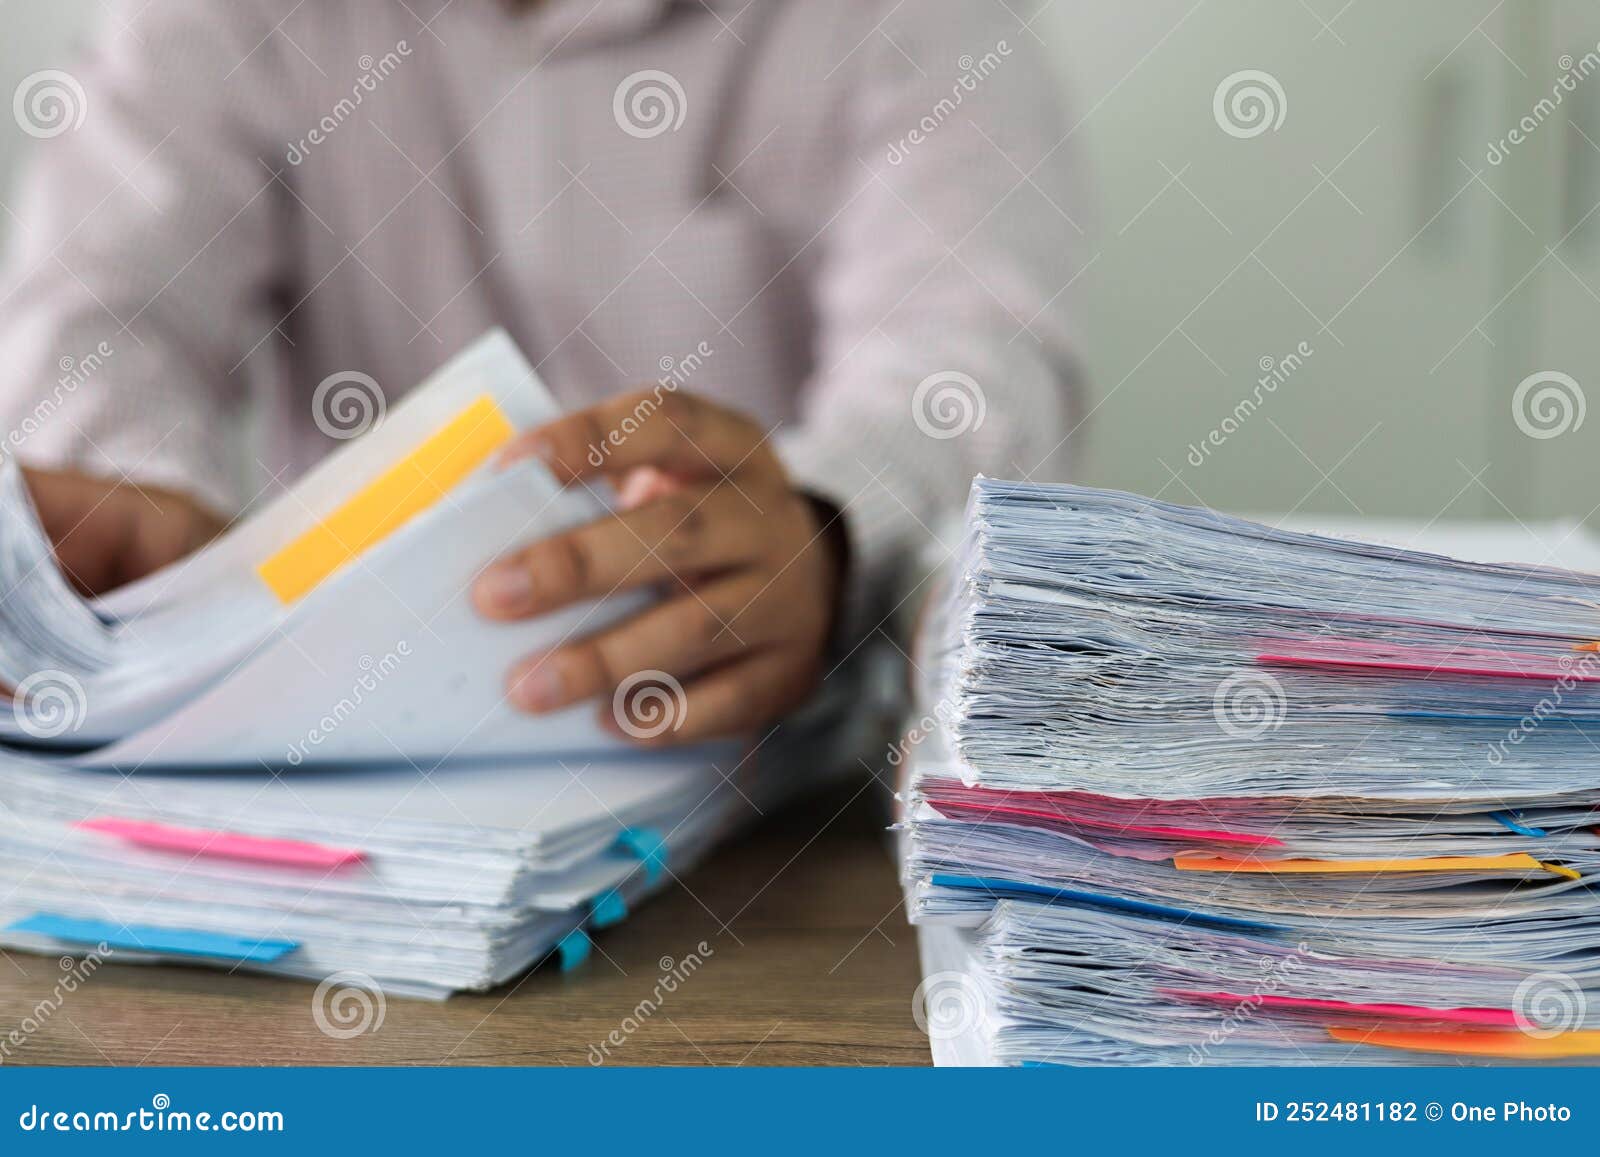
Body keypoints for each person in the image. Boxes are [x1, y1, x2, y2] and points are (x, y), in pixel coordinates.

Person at [0, 0, 1081, 743]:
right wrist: (163, 568)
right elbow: (98, 313)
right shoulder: (215, 21)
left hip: (785, 788)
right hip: (326, 740)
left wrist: (826, 527)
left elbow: (971, 360)